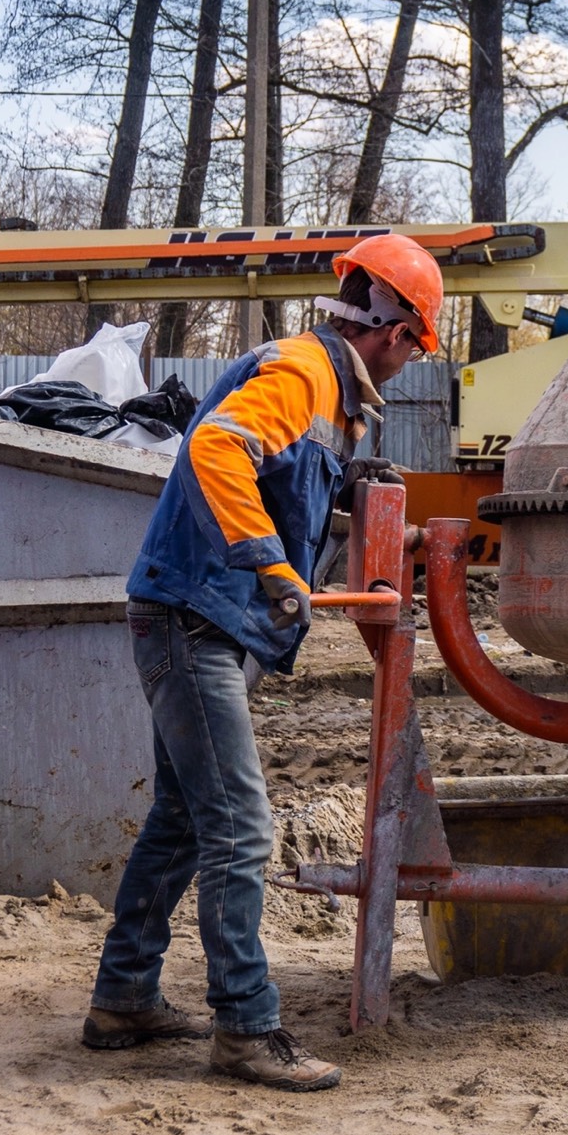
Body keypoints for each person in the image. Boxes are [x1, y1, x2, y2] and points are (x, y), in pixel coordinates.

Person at [82, 234, 443, 1091]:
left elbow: (287, 474)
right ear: (396, 333)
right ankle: (245, 1027)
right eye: (414, 348)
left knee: (181, 818)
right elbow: (216, 451)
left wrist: (362, 498)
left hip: (206, 619)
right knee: (240, 829)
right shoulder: (302, 373)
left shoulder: (329, 390)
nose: (406, 364)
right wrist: (274, 568)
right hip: (195, 619)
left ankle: (123, 997)